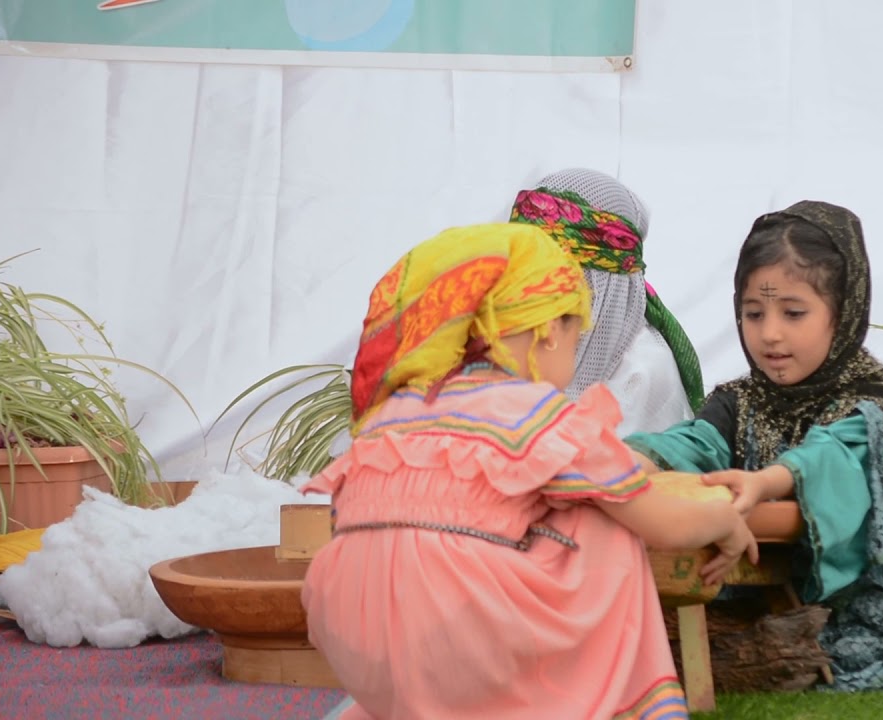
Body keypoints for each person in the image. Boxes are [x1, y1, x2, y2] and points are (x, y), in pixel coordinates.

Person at [299, 222, 758, 719]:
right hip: (461, 631)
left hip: (352, 628)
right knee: (602, 519)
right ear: (549, 330)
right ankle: (598, 704)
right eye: (576, 336)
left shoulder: (397, 413)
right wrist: (728, 522)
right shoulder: (540, 416)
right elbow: (664, 524)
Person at [623, 200, 883, 691]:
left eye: (794, 313)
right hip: (783, 577)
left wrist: (765, 480)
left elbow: (830, 455)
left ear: (844, 313)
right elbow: (693, 442)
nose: (770, 334)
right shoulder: (740, 400)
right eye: (754, 313)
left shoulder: (869, 403)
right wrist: (622, 460)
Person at [509, 168, 704, 436]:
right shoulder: (511, 336)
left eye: (565, 276)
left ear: (603, 282)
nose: (542, 291)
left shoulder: (644, 373)